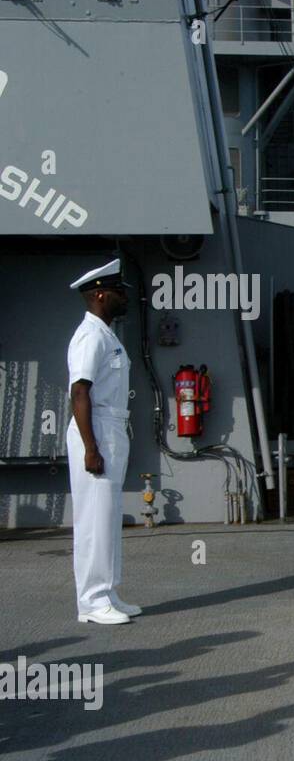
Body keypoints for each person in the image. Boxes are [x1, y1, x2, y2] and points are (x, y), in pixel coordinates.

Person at [66, 259, 138, 625]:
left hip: (109, 428)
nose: (124, 296)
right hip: (94, 429)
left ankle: (108, 592)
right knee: (94, 518)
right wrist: (91, 448)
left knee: (107, 516)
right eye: (118, 291)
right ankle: (91, 602)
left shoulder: (107, 335)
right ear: (99, 294)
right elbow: (80, 391)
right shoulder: (90, 336)